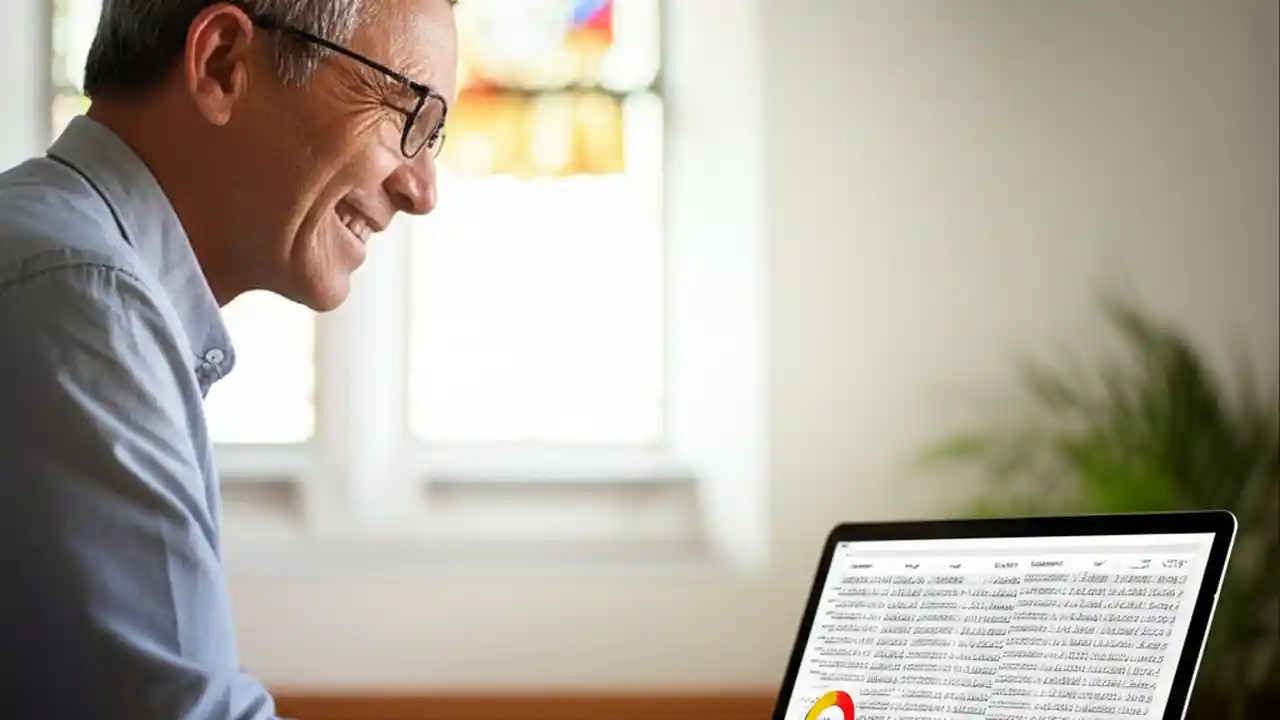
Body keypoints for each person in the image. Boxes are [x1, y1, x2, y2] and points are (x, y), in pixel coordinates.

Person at [0, 0, 457, 716]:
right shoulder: (80, 296)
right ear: (221, 64)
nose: (422, 190)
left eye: (437, 135)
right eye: (405, 109)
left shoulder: (63, 263)